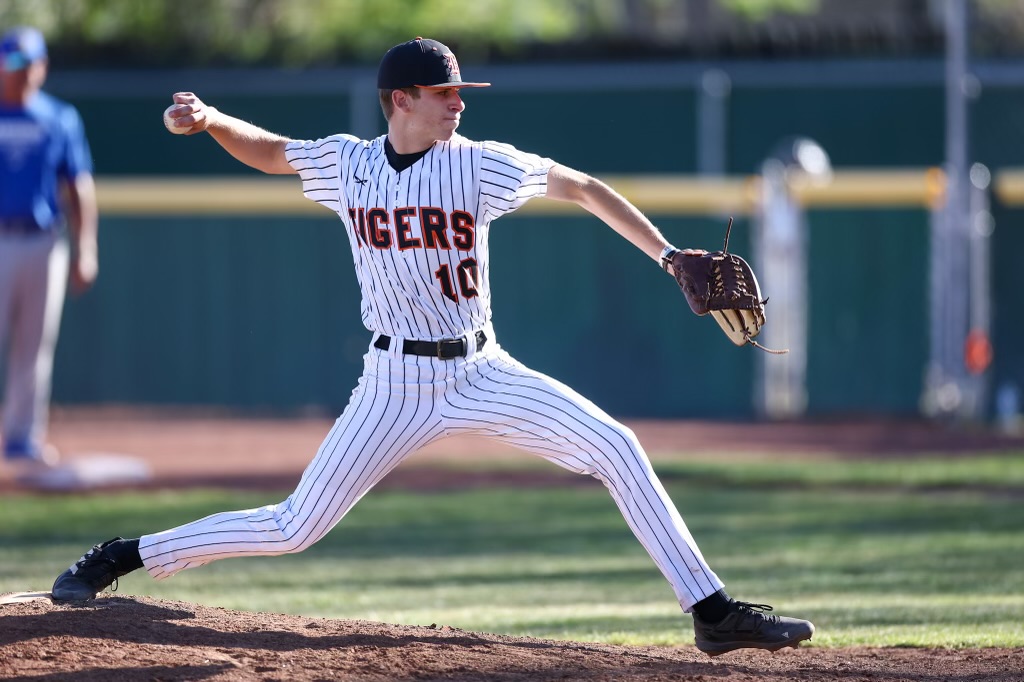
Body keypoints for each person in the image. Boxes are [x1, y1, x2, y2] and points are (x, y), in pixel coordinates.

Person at [50, 38, 813, 656]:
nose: (458, 102)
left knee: (616, 446)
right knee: (294, 526)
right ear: (400, 101)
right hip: (392, 381)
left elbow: (582, 187)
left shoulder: (478, 163)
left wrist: (669, 255)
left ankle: (711, 611)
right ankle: (125, 554)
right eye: (444, 92)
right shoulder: (349, 164)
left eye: (459, 93)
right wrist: (214, 118)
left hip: (481, 369)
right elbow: (274, 153)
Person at [0, 27, 98, 476]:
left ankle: (21, 439)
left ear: (43, 66)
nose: (20, 71)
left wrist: (86, 247)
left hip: (42, 241)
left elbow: (78, 185)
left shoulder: (58, 117)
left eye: (29, 62)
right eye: (12, 62)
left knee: (34, 344)